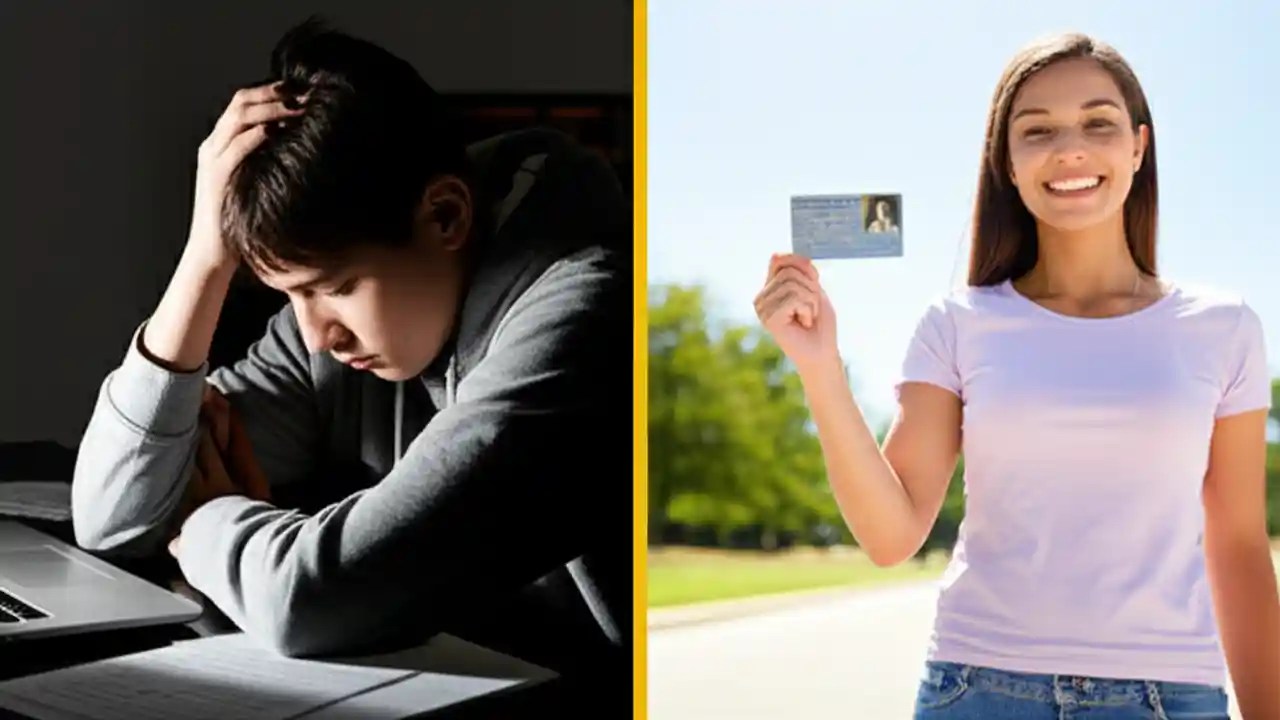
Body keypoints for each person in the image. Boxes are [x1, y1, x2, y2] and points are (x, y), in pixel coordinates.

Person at [70, 16, 631, 688]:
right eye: (291, 296)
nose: (316, 336)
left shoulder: (584, 321)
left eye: (335, 288)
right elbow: (111, 518)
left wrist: (204, 520)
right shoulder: (331, 341)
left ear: (447, 216)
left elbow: (313, 597)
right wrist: (204, 258)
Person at [754, 32, 1277, 720]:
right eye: (1038, 131)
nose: (1071, 149)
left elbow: (1238, 545)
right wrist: (819, 366)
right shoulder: (957, 323)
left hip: (1169, 696)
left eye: (1098, 123)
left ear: (1138, 147)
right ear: (1006, 161)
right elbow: (891, 536)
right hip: (979, 691)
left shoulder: (1224, 327)